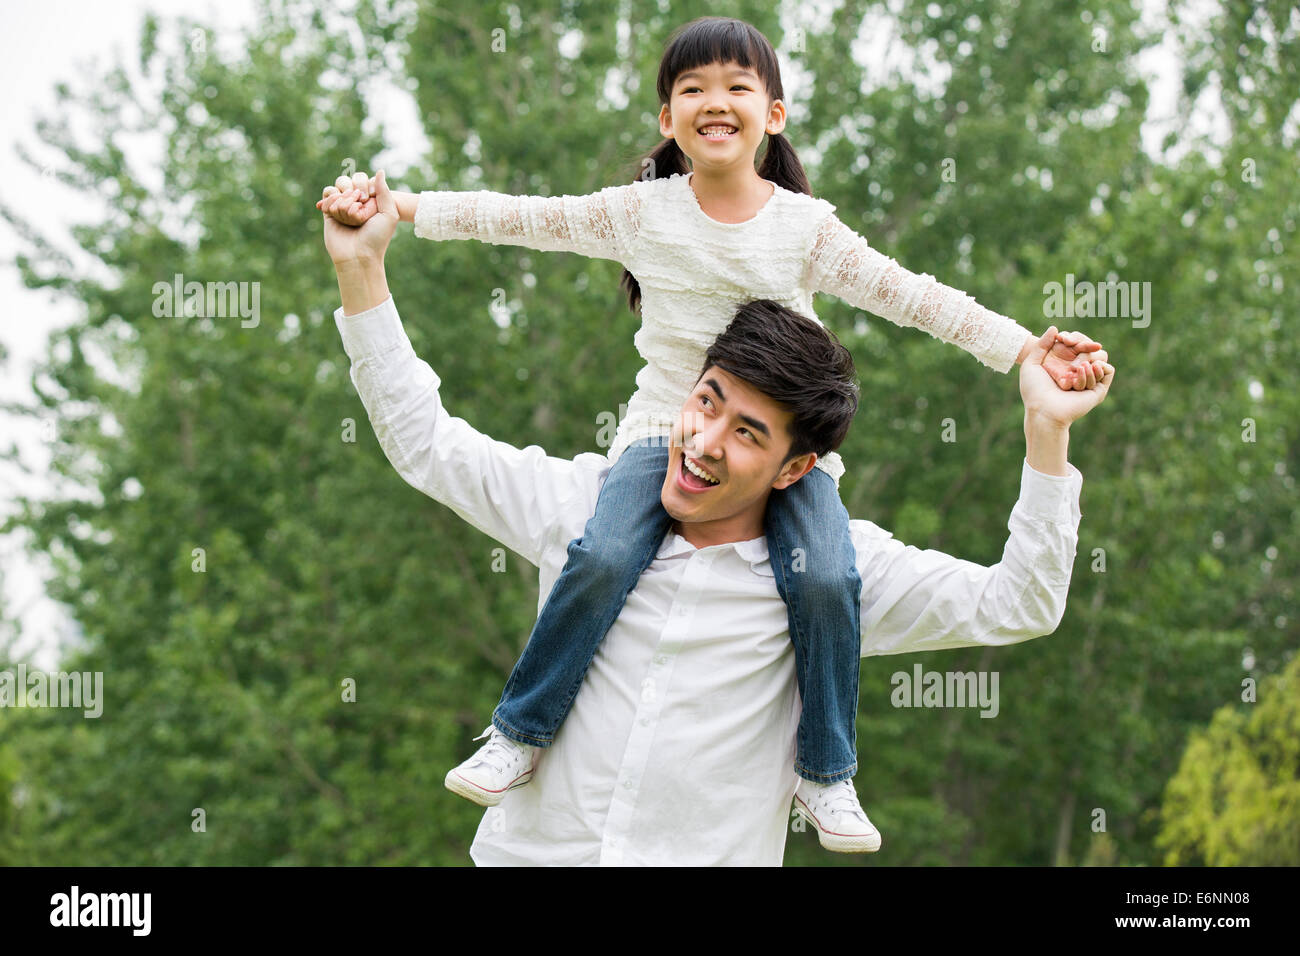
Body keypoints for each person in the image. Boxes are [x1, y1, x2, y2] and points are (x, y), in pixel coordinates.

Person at [318, 15, 1108, 852]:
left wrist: (1025, 363)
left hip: (799, 495)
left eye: (738, 87)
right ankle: (520, 729)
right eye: (691, 89)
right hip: (647, 429)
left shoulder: (804, 231)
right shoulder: (639, 223)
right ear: (666, 120)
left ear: (775, 114)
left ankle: (828, 771)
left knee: (826, 582)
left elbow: (915, 298)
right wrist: (391, 224)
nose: (714, 102)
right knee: (607, 551)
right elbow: (521, 221)